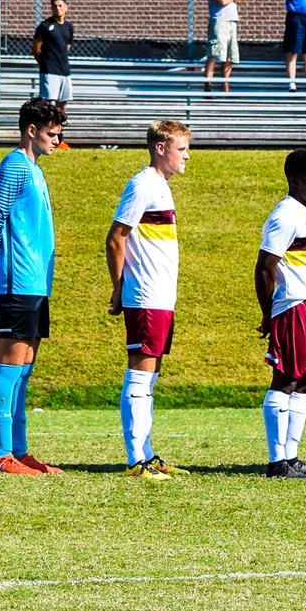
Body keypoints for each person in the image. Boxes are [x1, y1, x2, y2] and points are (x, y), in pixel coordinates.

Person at [0, 97, 66, 475]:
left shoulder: (35, 168)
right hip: (16, 279)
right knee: (9, 362)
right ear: (31, 130)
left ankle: (19, 450)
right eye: (51, 133)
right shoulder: (15, 165)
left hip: (34, 282)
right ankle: (0, 455)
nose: (56, 140)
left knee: (25, 366)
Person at [106, 120, 192, 481]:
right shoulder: (142, 184)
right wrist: (119, 287)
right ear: (161, 148)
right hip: (144, 294)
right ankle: (135, 459)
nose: (187, 156)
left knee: (151, 375)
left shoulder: (161, 186)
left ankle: (146, 452)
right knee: (139, 375)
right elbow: (115, 238)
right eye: (182, 149)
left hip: (160, 296)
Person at [257, 149, 306, 479]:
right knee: (285, 379)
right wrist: (269, 313)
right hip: (294, 307)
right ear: (295, 180)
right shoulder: (284, 215)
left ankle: (293, 456)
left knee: (305, 381)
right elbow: (265, 266)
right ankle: (277, 461)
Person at [31, 0, 74, 147]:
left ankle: (59, 139)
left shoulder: (69, 26)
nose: (58, 8)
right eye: (55, 6)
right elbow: (36, 50)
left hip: (65, 72)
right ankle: (43, 138)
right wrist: (45, 65)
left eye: (61, 5)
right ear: (51, 8)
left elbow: (67, 47)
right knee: (48, 106)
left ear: (66, 7)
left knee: (62, 106)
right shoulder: (44, 26)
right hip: (50, 72)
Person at [205, 0, 244, 92]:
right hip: (219, 21)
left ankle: (225, 85)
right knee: (215, 54)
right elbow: (221, 0)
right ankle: (208, 85)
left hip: (232, 20)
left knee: (230, 55)